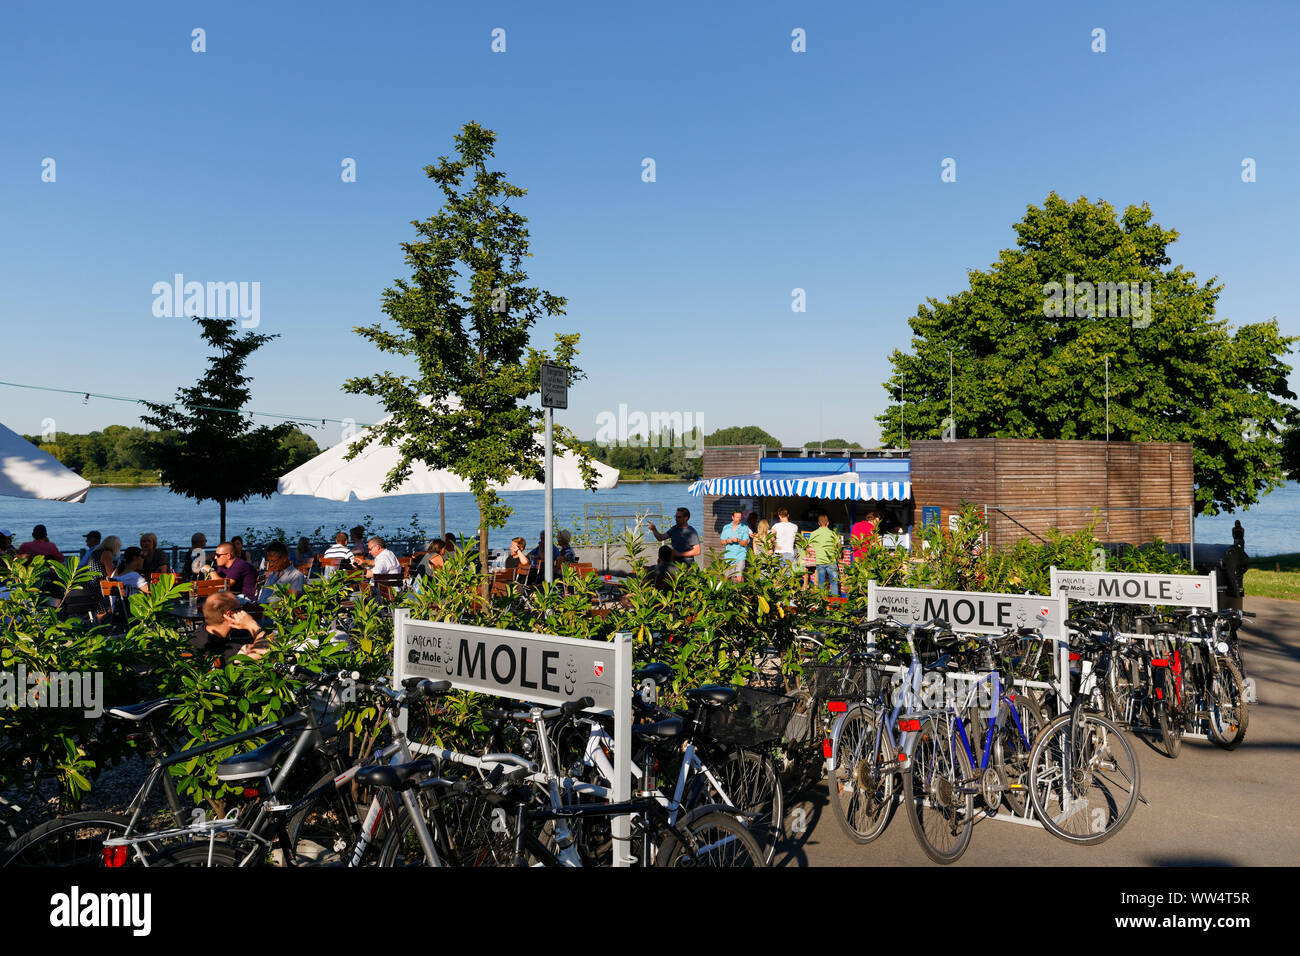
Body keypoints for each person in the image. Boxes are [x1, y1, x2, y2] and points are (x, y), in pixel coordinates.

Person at [192, 591, 271, 664]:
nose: (243, 612)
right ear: (229, 614)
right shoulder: (224, 649)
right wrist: (252, 625)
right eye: (239, 609)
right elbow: (265, 651)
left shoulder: (199, 634)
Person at [809, 514, 843, 595]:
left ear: (818, 523)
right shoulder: (833, 534)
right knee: (834, 583)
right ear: (828, 523)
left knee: (821, 584)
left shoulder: (814, 533)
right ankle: (835, 604)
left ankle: (822, 603)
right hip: (831, 561)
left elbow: (810, 545)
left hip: (820, 561)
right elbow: (839, 546)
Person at [1222, 524, 1249, 613]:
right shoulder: (1242, 529)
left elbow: (1233, 535)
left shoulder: (1234, 529)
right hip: (1240, 542)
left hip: (1237, 542)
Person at [720, 510, 751, 582]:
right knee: (727, 577)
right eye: (737, 517)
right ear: (732, 517)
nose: (739, 519)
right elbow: (722, 541)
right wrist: (727, 541)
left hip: (740, 555)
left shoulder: (744, 527)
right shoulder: (726, 527)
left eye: (740, 517)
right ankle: (727, 592)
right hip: (729, 556)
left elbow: (746, 543)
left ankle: (742, 592)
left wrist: (738, 540)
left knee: (739, 576)